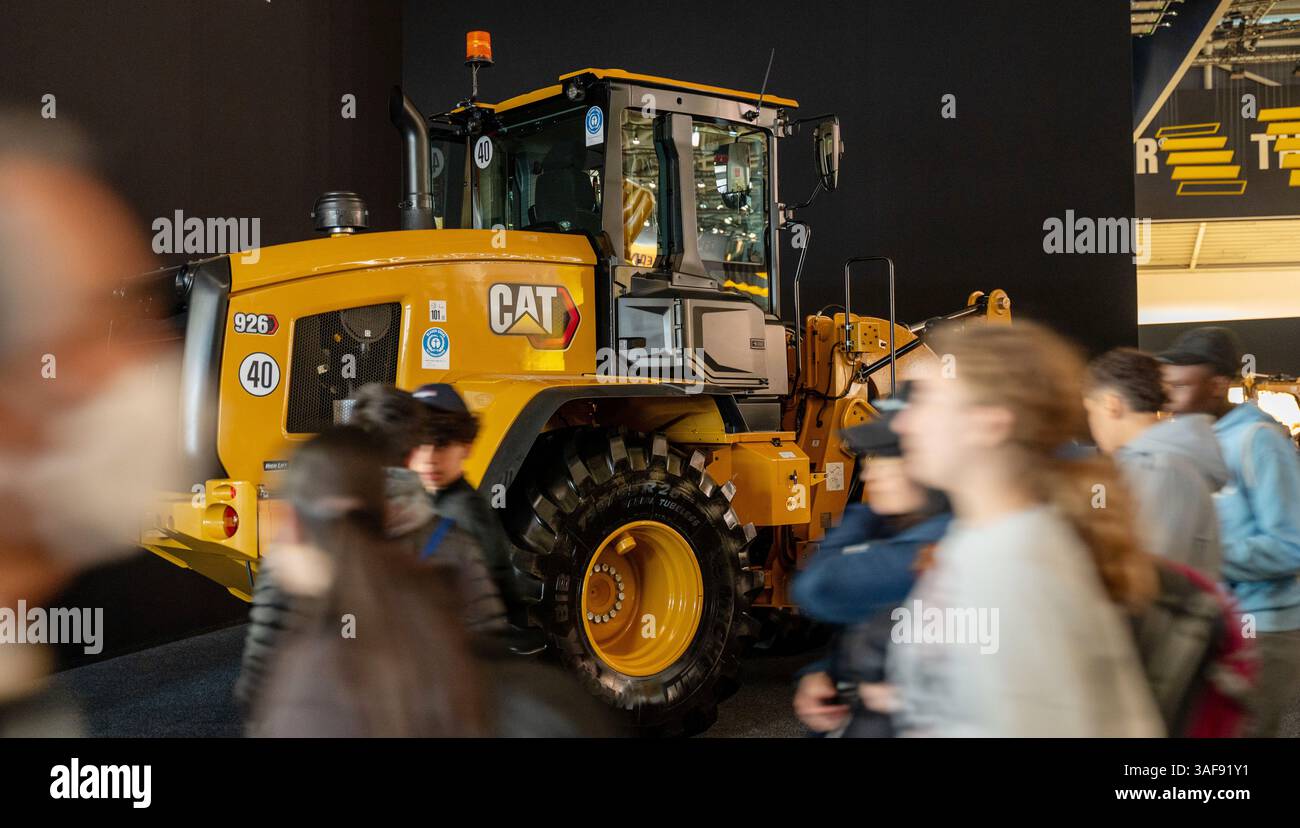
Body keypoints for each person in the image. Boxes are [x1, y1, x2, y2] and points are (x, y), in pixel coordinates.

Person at [886, 322, 1163, 737]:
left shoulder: (1015, 569)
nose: (902, 425)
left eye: (925, 401)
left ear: (989, 424)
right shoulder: (983, 543)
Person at [235, 384, 507, 712]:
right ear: (414, 452)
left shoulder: (298, 544)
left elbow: (260, 677)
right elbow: (490, 657)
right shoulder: (453, 541)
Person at [1158, 326, 1300, 737]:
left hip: (1267, 629)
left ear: (1218, 385)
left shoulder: (1260, 441)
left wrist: (1201, 555)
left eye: (1184, 385)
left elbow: (1291, 545)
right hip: (1224, 625)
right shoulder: (1204, 440)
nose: (1172, 397)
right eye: (1170, 385)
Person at [791, 385, 952, 737]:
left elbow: (816, 588)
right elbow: (876, 629)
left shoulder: (931, 547)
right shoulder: (903, 531)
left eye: (883, 459)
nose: (867, 474)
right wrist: (826, 673)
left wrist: (861, 517)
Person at [1083, 347, 1228, 579]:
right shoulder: (1153, 462)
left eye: (1091, 411)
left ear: (1111, 404)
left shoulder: (1161, 467)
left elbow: (1153, 573)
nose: (1091, 424)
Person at [411, 383, 525, 612]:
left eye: (441, 444)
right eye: (419, 443)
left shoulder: (463, 515)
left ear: (467, 446)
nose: (429, 458)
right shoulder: (423, 497)